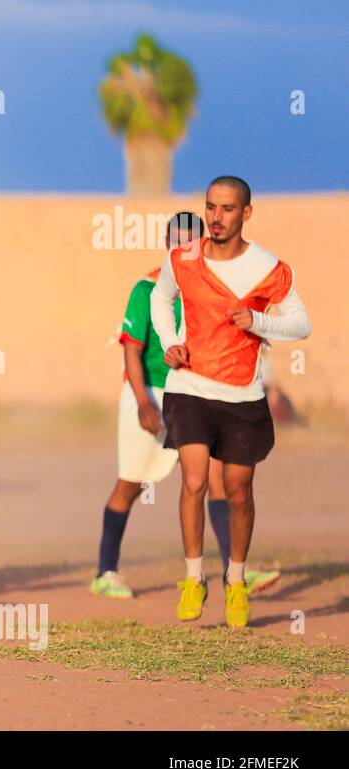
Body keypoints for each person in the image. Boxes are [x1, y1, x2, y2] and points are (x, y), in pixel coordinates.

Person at [91, 212, 279, 598]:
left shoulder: (211, 287)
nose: (184, 248)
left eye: (191, 241)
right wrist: (143, 401)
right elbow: (132, 348)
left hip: (195, 394)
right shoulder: (147, 288)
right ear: (166, 243)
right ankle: (105, 572)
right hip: (151, 395)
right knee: (131, 484)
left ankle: (234, 572)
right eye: (176, 241)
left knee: (216, 481)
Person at [152, 176, 311, 628]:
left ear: (246, 213)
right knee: (194, 480)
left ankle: (236, 582)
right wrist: (169, 342)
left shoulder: (267, 268)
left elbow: (301, 323)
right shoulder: (182, 258)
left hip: (242, 393)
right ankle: (192, 577)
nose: (216, 218)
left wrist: (258, 319)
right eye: (210, 207)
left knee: (239, 493)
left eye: (226, 209)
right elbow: (162, 300)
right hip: (190, 386)